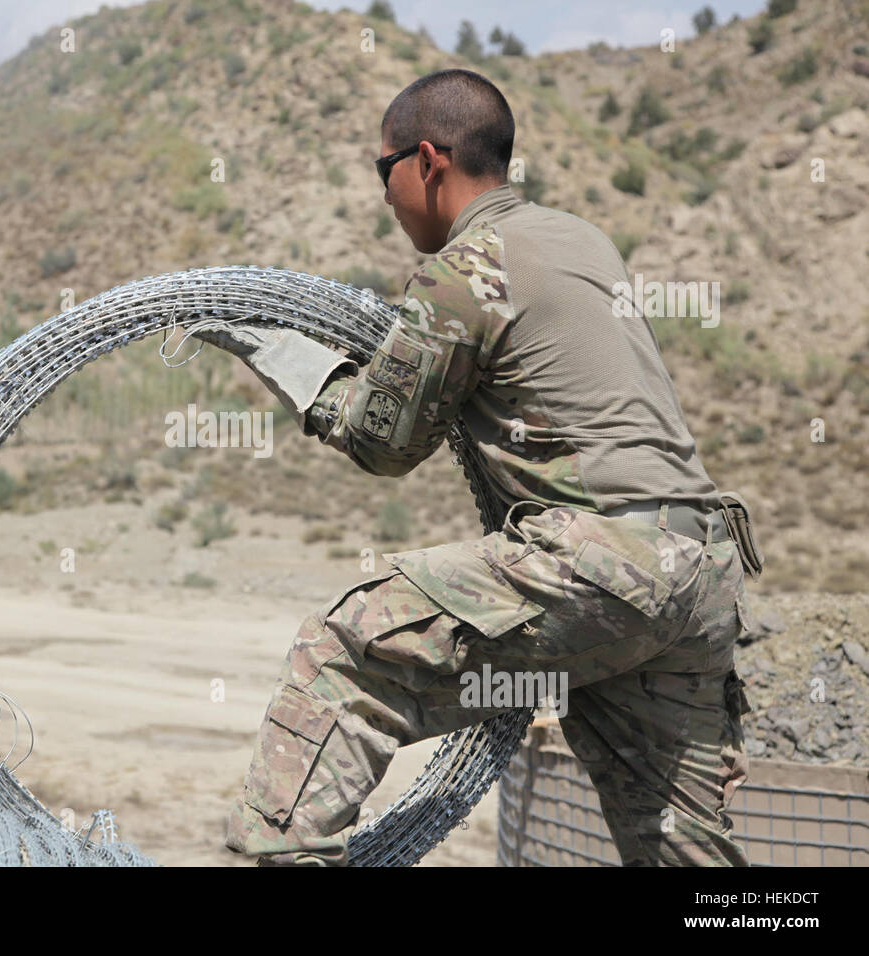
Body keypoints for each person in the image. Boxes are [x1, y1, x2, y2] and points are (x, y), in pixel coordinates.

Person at [200, 69, 760, 866]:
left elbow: (382, 443)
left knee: (345, 654)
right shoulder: (581, 240)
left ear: (427, 161)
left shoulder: (465, 269)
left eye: (381, 170)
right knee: (681, 849)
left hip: (604, 567)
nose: (384, 197)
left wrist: (283, 355)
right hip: (701, 571)